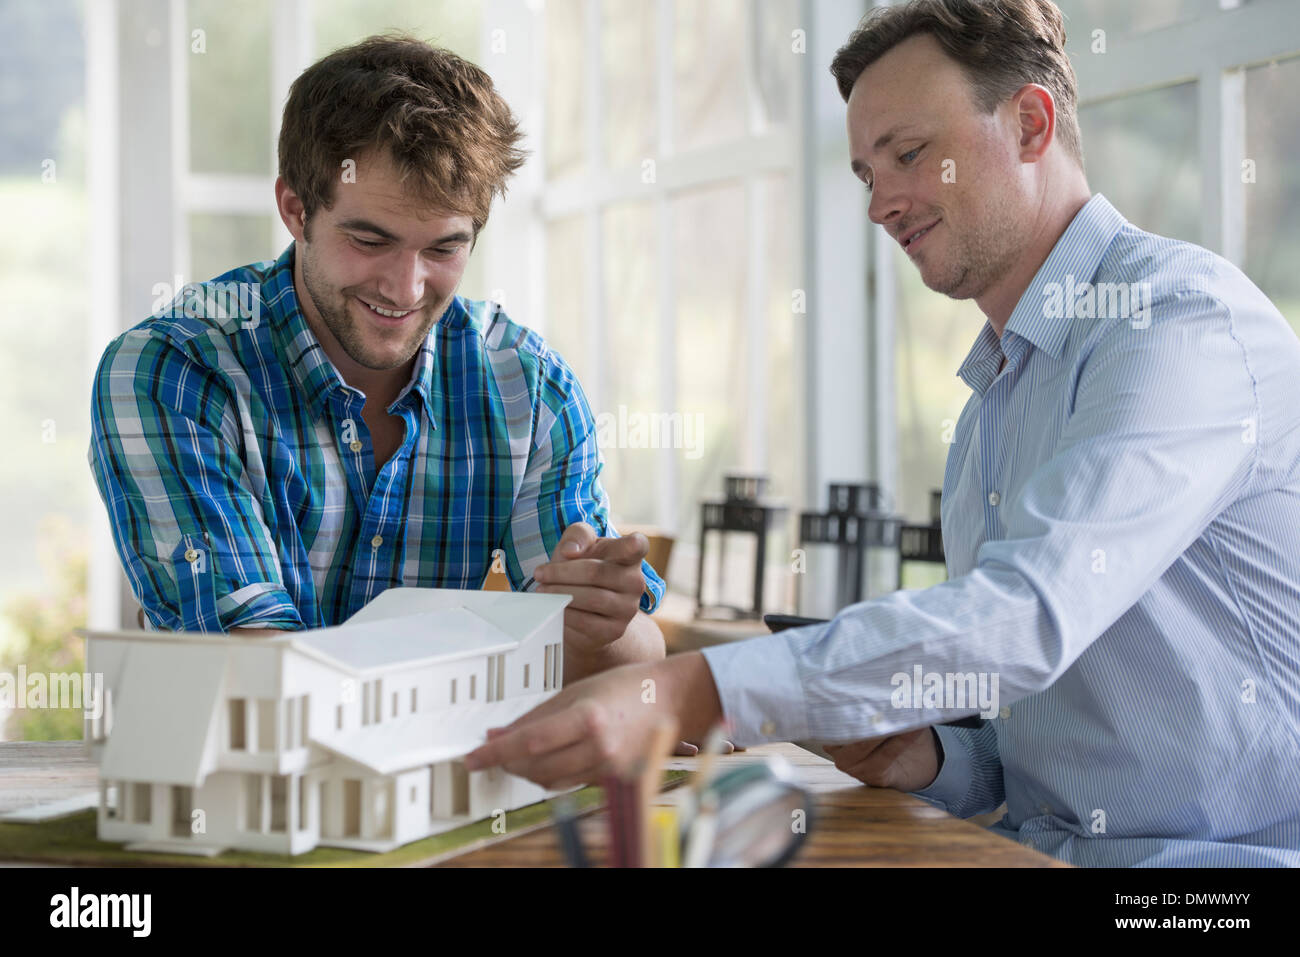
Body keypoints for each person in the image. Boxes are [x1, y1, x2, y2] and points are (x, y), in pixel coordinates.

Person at [465, 0, 1300, 867]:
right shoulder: (990, 408)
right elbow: (1042, 754)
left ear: (1029, 124)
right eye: (867, 174)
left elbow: (1027, 615)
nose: (881, 205)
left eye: (908, 154)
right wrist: (932, 758)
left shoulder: (1178, 324)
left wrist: (693, 689)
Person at [88, 35, 666, 684]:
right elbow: (252, 671)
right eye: (370, 240)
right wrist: (499, 662)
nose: (405, 287)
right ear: (294, 208)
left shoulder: (529, 389)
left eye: (444, 249)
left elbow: (635, 663)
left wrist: (599, 622)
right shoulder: (174, 370)